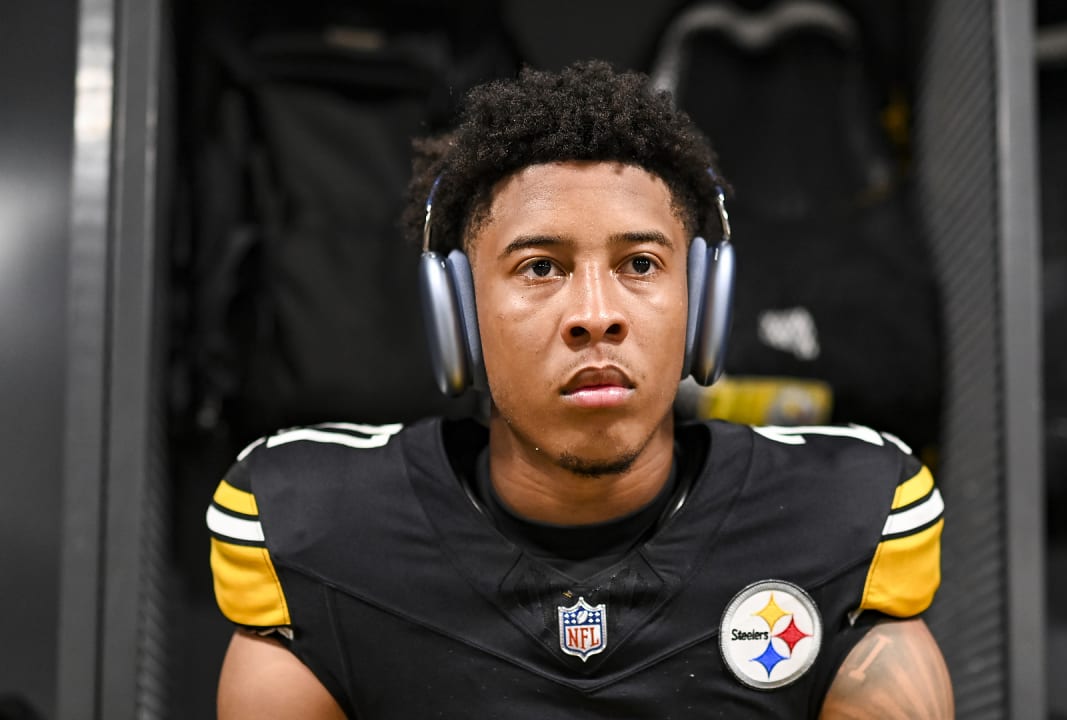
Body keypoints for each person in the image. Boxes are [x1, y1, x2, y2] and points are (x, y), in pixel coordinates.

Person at [209, 60, 952, 719]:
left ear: (705, 303)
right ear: (458, 313)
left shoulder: (837, 528)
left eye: (639, 265)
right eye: (540, 268)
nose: (596, 316)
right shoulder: (323, 540)